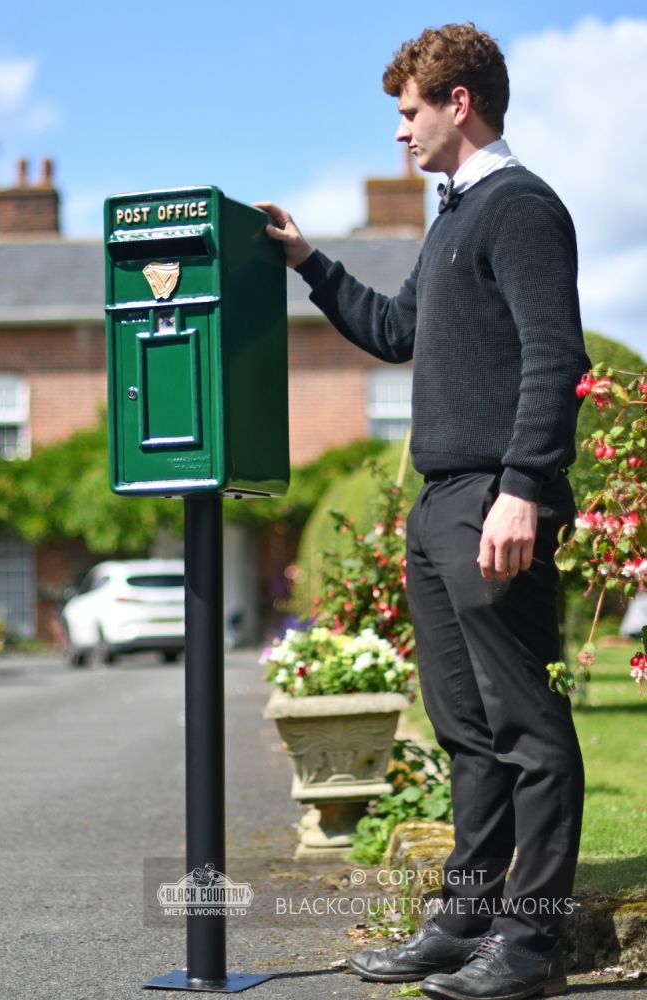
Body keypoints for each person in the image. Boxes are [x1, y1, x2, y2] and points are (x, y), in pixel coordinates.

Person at [259, 23, 589, 1000]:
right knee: (464, 726)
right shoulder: (450, 219)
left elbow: (553, 356)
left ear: (458, 103)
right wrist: (309, 261)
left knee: (526, 724)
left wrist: (524, 487)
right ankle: (466, 920)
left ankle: (531, 946)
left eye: (408, 112)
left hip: (493, 496)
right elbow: (397, 329)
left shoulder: (520, 209)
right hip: (440, 501)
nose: (398, 134)